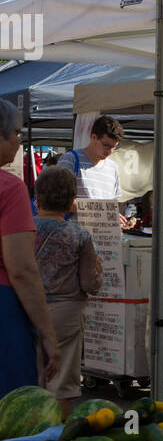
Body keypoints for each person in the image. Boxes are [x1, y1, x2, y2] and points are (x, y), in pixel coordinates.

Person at [33, 167, 103, 418]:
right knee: (61, 382)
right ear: (72, 202)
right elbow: (89, 284)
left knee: (28, 378)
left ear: (37, 199)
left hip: (25, 309)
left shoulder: (23, 231)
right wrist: (99, 272)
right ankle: (52, 435)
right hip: (65, 314)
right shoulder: (80, 235)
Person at [0, 99, 59, 390]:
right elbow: (21, 268)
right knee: (10, 414)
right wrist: (48, 333)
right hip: (4, 309)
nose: (19, 141)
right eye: (17, 133)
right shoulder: (10, 189)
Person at [57, 116, 131, 226]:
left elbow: (112, 206)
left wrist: (120, 220)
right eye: (106, 145)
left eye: (114, 147)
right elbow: (57, 201)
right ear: (94, 137)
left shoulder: (113, 168)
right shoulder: (70, 159)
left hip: (104, 239)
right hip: (73, 238)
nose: (110, 151)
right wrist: (102, 212)